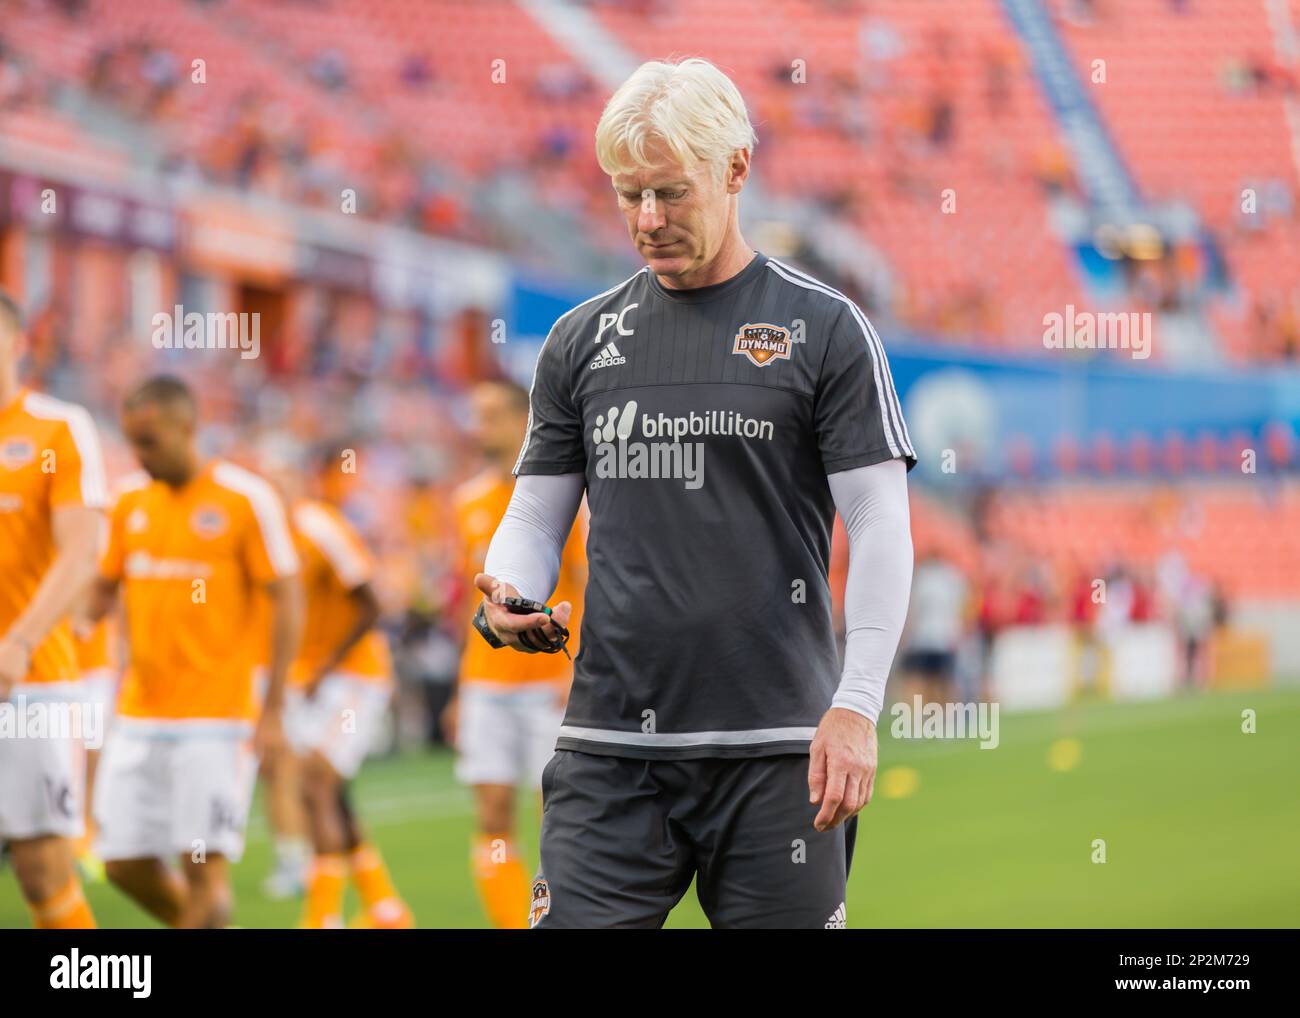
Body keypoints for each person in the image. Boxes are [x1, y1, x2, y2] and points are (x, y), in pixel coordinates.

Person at [473, 58, 915, 929]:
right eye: (628, 194)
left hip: (778, 754)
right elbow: (534, 511)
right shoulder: (580, 340)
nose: (647, 220)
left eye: (670, 192)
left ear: (736, 170)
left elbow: (879, 523)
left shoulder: (825, 329)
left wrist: (856, 708)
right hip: (609, 749)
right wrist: (509, 587)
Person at [84, 375, 302, 928]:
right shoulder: (128, 501)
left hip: (217, 719)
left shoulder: (245, 498)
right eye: (132, 440)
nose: (140, 454)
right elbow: (98, 594)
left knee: (202, 866)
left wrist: (273, 708)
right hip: (138, 713)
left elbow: (287, 600)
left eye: (150, 440)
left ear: (188, 427)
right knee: (121, 862)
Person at [445, 379, 586, 928]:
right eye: (475, 416)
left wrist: (578, 666)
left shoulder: (557, 497)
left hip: (546, 681)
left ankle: (560, 918)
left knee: (557, 815)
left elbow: (585, 582)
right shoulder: (465, 502)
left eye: (493, 416)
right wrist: (462, 689)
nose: (481, 428)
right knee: (491, 814)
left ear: (523, 421)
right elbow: (468, 607)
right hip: (486, 685)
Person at [0, 289, 107, 928]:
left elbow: (82, 552)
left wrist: (18, 642)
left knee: (42, 868)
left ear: (17, 344)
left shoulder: (56, 427)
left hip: (31, 684)